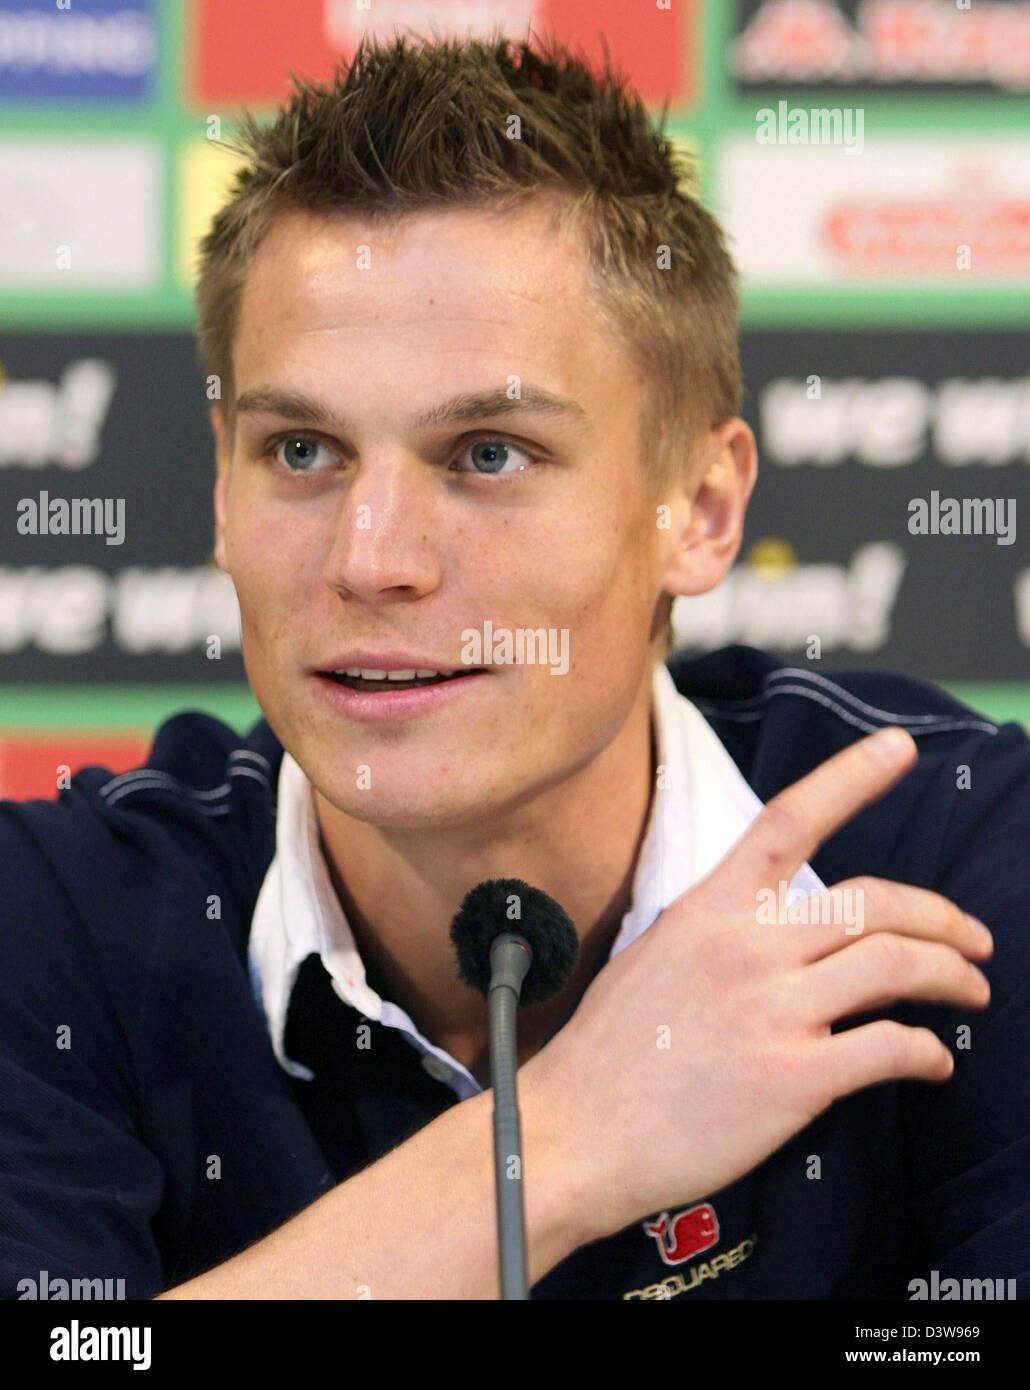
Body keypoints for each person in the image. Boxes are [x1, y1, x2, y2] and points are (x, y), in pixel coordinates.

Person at [1, 33, 1026, 1303]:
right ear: (220, 489)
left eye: (488, 453)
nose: (374, 560)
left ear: (699, 509)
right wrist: (571, 1139)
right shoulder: (48, 920)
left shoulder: (961, 861)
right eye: (304, 450)